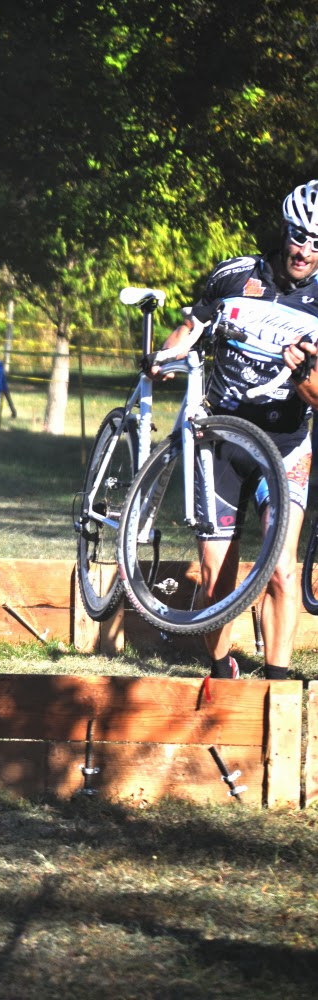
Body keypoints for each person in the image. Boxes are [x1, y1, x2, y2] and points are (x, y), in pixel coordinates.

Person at [151, 179, 318, 681]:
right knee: (217, 581)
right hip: (219, 444)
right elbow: (194, 325)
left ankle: (278, 683)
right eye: (299, 236)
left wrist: (305, 377)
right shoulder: (236, 274)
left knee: (282, 570)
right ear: (284, 231)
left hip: (283, 446)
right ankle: (222, 669)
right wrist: (168, 353)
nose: (305, 251)